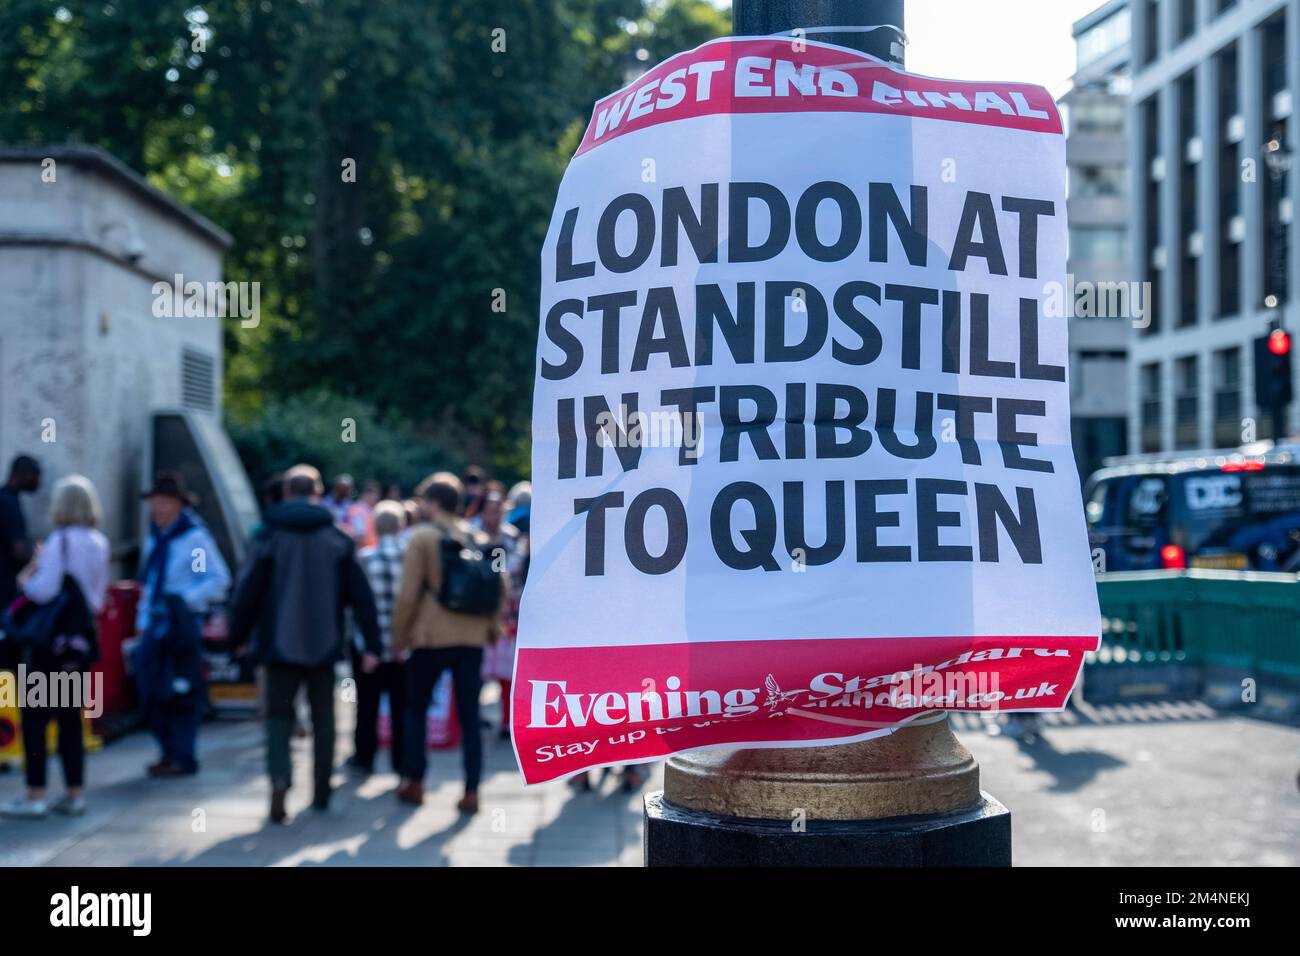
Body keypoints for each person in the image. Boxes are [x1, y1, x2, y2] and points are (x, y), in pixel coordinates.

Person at [227, 464, 381, 823]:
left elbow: (247, 592)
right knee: (324, 719)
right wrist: (372, 644)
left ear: (285, 493)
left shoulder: (268, 536)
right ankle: (322, 791)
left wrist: (237, 637)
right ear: (317, 493)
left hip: (277, 644)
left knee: (278, 716)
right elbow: (362, 597)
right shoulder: (338, 539)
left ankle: (280, 780)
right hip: (325, 645)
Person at [392, 472, 503, 813]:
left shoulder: (422, 536)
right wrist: (492, 629)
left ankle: (416, 782)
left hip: (430, 637)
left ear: (434, 502)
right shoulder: (475, 535)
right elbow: (499, 584)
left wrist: (398, 638)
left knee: (416, 709)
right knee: (470, 716)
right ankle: (471, 790)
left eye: (424, 501)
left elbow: (409, 594)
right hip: (471, 638)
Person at [0, 476, 109, 819]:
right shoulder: (99, 542)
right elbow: (97, 598)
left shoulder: (59, 541)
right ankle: (75, 794)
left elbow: (42, 591)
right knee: (71, 720)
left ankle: (36, 795)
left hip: (50, 645)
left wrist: (27, 577)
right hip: (79, 645)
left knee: (35, 720)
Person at [135, 471, 231, 778]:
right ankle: (168, 749)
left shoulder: (194, 539)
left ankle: (182, 754)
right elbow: (149, 582)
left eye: (165, 502)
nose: (158, 508)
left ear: (178, 505)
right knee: (149, 687)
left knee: (183, 689)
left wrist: (183, 601)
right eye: (155, 502)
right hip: (155, 624)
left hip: (181, 626)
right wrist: (142, 618)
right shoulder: (157, 537)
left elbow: (216, 579)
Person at [349, 500, 408, 776]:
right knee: (401, 708)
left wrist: (364, 647)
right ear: (401, 526)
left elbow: (357, 609)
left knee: (367, 706)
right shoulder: (411, 557)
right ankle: (401, 761)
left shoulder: (364, 558)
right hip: (401, 648)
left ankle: (364, 757)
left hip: (370, 648)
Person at [0, 455, 42, 622]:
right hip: (4, 586)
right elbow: (19, 551)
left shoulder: (6, 499)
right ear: (25, 474)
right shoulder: (9, 504)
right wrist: (39, 560)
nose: (38, 482)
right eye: (36, 475)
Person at [345, 479, 381, 549]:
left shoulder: (367, 509)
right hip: (363, 551)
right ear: (366, 494)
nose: (377, 497)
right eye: (375, 494)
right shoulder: (358, 510)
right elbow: (359, 536)